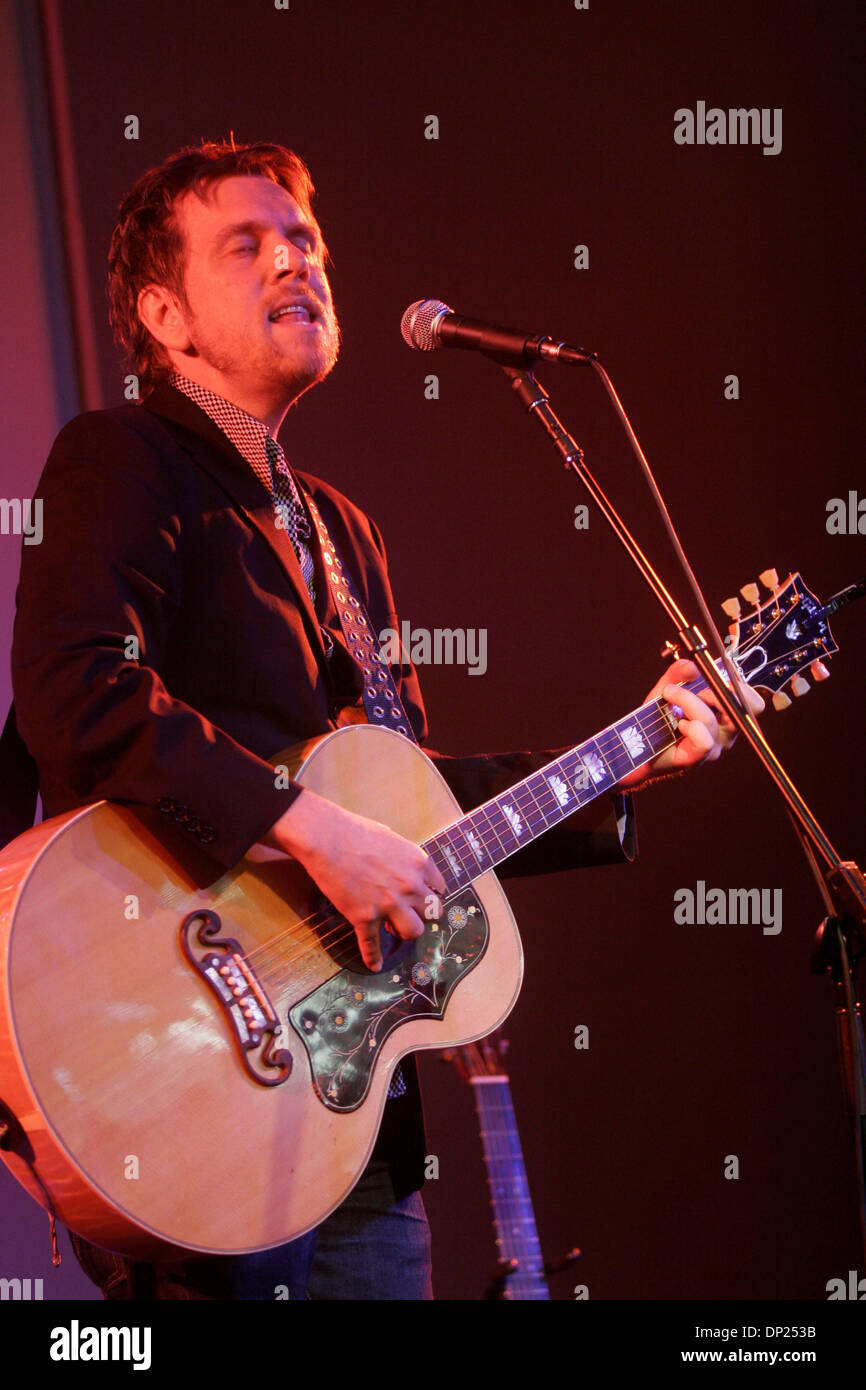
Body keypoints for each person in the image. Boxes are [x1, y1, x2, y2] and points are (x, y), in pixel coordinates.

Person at [9, 140, 760, 1300]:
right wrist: (308, 828)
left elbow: (408, 816)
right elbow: (78, 696)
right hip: (193, 1074)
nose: (294, 261)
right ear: (164, 313)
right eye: (246, 245)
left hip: (358, 1118)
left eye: (305, 241)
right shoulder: (122, 459)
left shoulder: (344, 532)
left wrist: (635, 758)